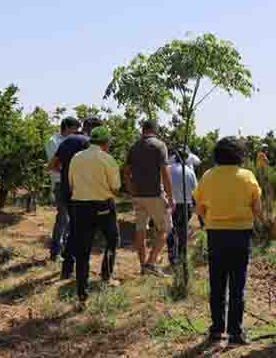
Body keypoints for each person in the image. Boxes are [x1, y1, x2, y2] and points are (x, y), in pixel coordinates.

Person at [194, 137, 262, 345]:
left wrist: (212, 219)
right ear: (240, 155)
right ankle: (235, 332)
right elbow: (257, 208)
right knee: (237, 285)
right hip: (241, 234)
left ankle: (216, 330)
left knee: (217, 283)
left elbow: (199, 209)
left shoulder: (208, 176)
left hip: (215, 234)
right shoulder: (247, 176)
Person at [67, 126, 121, 309]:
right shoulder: (107, 159)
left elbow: (71, 184)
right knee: (112, 240)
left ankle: (82, 295)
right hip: (103, 206)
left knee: (83, 251)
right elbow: (115, 187)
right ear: (106, 143)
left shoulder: (76, 158)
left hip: (80, 207)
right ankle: (106, 275)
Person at [125, 120, 173, 276]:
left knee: (140, 230)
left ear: (142, 130)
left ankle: (143, 265)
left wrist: (132, 191)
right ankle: (151, 263)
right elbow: (165, 173)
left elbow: (126, 172)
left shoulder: (134, 147)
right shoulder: (159, 146)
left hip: (138, 195)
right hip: (155, 195)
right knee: (166, 228)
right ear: (155, 130)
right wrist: (170, 197)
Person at [44, 117, 87, 275]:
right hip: (60, 183)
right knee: (63, 218)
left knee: (70, 220)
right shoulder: (53, 141)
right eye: (74, 129)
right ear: (67, 127)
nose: (76, 133)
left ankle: (65, 251)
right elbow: (55, 164)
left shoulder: (71, 141)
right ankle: (55, 252)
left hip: (72, 183)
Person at [167, 149, 198, 266]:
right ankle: (182, 256)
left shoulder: (168, 169)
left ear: (175, 157)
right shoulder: (189, 171)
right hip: (185, 205)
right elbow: (195, 190)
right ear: (185, 158)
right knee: (183, 231)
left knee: (171, 231)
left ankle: (172, 257)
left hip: (171, 204)